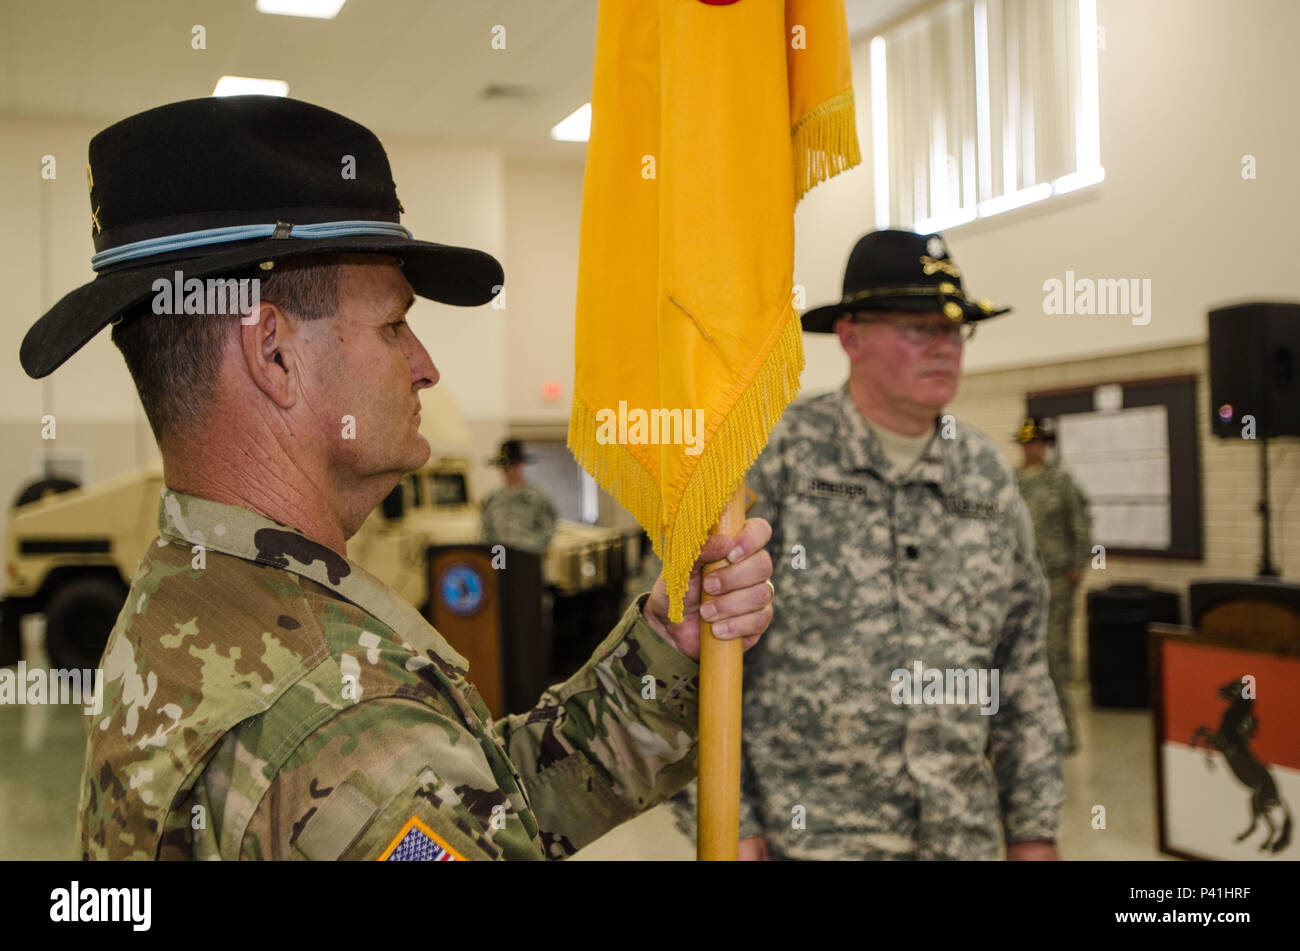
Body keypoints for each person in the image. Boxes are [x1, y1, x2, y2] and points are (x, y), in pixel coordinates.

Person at [20, 96, 775, 861]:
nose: (424, 365)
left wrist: (664, 648)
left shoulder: (189, 592)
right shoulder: (335, 720)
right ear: (275, 354)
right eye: (393, 324)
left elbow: (473, 801)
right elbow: (398, 785)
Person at [675, 229, 1066, 860]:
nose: (945, 346)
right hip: (811, 841)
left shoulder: (987, 476)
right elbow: (688, 651)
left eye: (955, 329)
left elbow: (1021, 673)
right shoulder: (771, 462)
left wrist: (1034, 830)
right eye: (920, 328)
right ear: (852, 337)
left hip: (960, 839)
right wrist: (733, 826)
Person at [1014, 416, 1092, 753]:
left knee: (1054, 655)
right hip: (1019, 581)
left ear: (1046, 446)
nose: (1031, 449)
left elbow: (1081, 525)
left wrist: (1078, 566)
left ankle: (1064, 734)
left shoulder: (1061, 481)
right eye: (1026, 443)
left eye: (1037, 443)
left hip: (1057, 579)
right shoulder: (1011, 481)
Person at [480, 439, 558, 554]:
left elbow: (547, 532)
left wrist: (521, 547)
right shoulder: (492, 498)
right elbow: (485, 532)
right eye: (504, 467)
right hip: (500, 560)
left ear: (520, 465)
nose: (508, 471)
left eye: (512, 466)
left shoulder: (539, 496)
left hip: (528, 559)